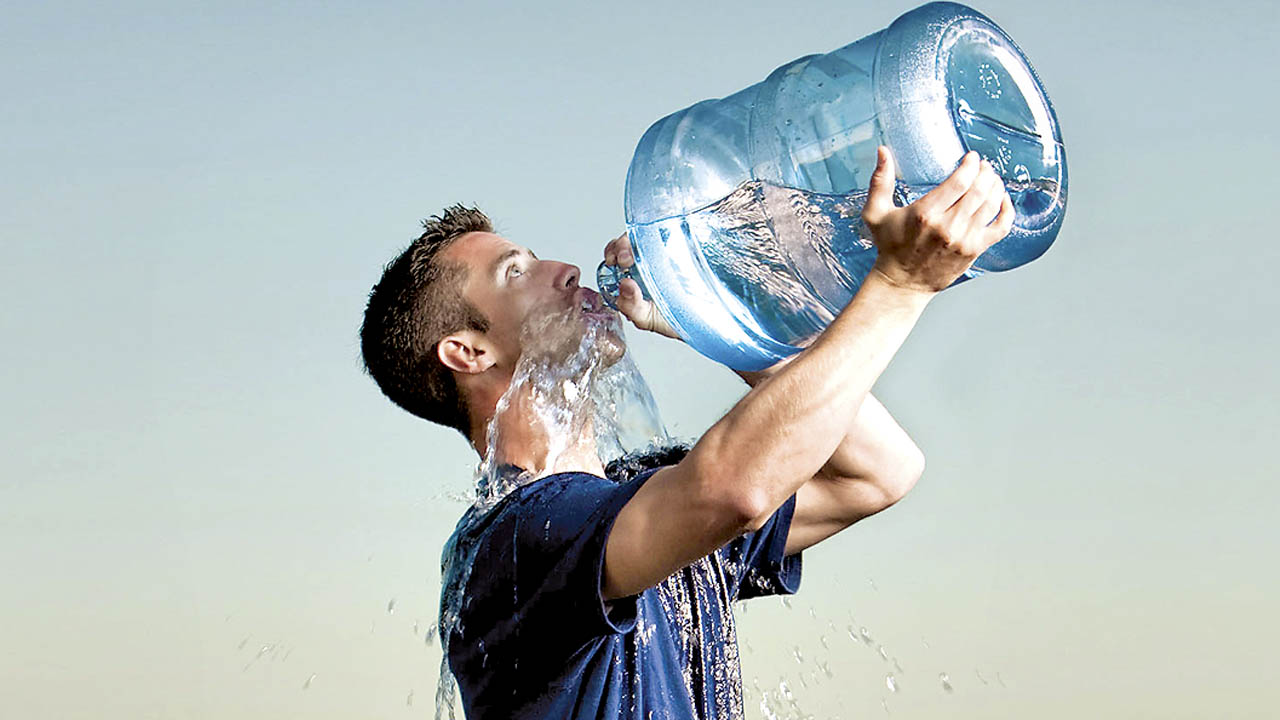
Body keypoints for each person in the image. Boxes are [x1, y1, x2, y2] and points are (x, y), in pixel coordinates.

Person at [359, 148, 1014, 718]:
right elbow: (731, 488)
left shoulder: (642, 506)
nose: (562, 269)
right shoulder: (513, 539)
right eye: (514, 273)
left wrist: (712, 317)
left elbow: (877, 473)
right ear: (467, 352)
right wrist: (899, 284)